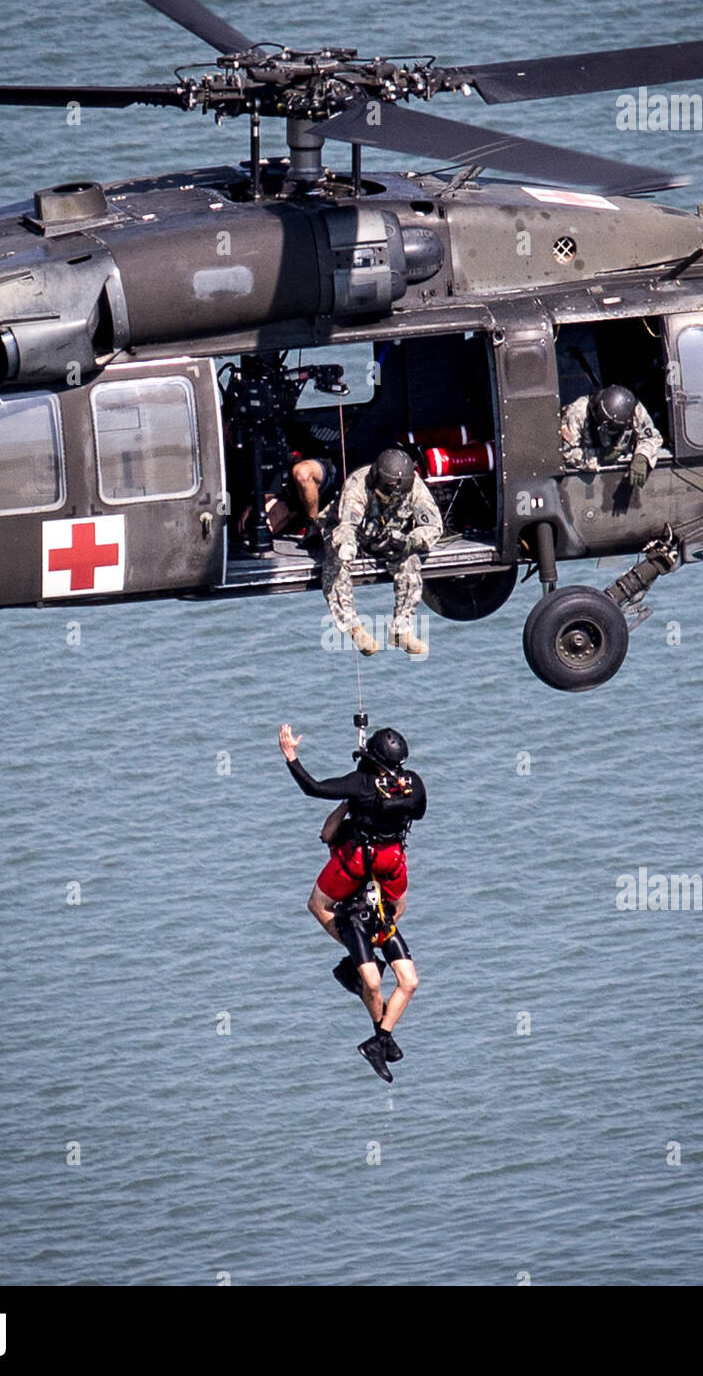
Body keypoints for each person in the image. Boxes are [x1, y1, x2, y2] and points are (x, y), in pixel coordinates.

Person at [279, 721, 426, 1082]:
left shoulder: (361, 786)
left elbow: (314, 788)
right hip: (393, 865)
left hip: (360, 861)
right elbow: (416, 811)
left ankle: (355, 955)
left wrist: (290, 756)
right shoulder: (414, 786)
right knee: (396, 911)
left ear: (371, 759)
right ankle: (382, 1034)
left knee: (318, 905)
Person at [322, 447, 443, 656]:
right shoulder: (357, 486)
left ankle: (401, 629)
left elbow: (434, 526)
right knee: (336, 564)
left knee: (411, 564)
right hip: (351, 533)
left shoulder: (414, 487)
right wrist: (347, 546)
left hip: (387, 536)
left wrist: (408, 542)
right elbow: (347, 526)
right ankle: (353, 627)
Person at [560, 384, 664, 486]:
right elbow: (567, 453)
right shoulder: (576, 414)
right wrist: (600, 456)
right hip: (587, 480)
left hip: (621, 466)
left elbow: (652, 436)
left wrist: (642, 456)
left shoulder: (631, 408)